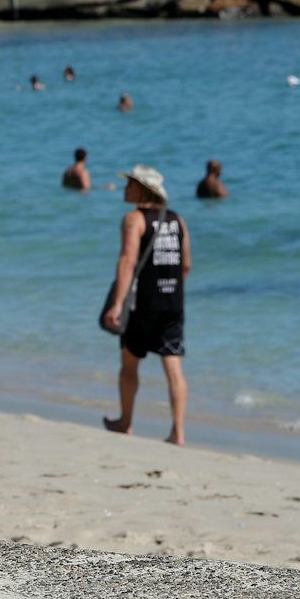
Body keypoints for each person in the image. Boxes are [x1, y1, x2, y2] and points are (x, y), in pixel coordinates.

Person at [101, 165, 191, 445]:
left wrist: (117, 304)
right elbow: (185, 265)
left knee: (129, 362)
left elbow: (128, 260)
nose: (126, 188)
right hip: (173, 302)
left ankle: (125, 421)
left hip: (143, 304)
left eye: (130, 184)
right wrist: (173, 293)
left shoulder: (134, 219)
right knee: (173, 365)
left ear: (142, 189)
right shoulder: (178, 220)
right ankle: (178, 431)